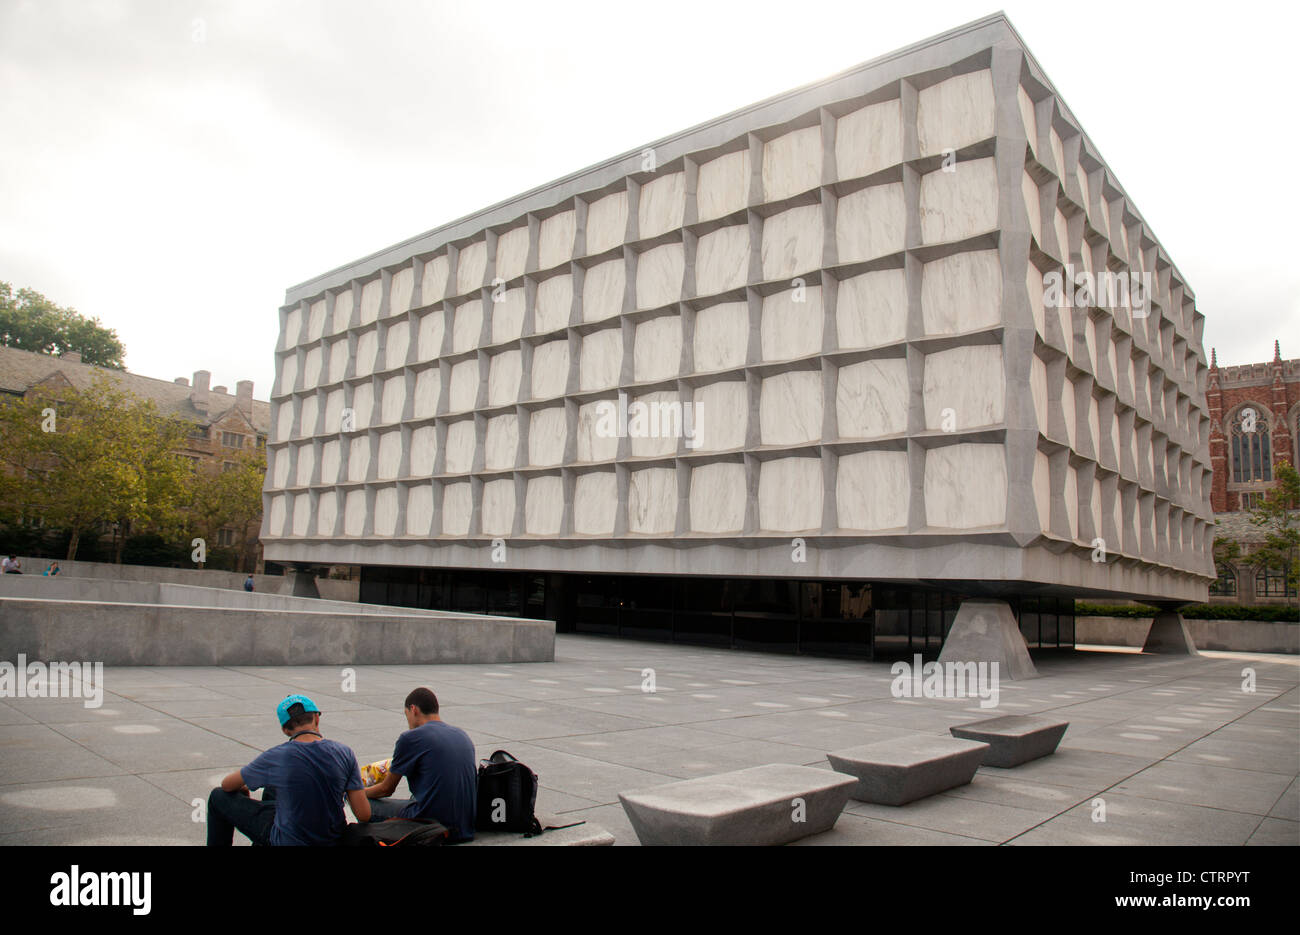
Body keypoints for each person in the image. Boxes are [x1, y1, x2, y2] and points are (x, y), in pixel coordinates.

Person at [207, 694, 369, 846]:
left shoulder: (276, 757)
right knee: (273, 788)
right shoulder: (344, 752)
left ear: (285, 730)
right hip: (331, 840)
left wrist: (243, 786)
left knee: (218, 796)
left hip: (287, 840)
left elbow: (227, 785)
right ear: (317, 719)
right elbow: (363, 814)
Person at [364, 687, 477, 841]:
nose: (408, 721)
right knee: (417, 794)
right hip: (464, 827)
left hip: (432, 827)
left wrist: (358, 793)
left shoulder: (410, 738)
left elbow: (386, 789)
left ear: (413, 709)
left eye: (406, 715)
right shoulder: (462, 735)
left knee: (363, 802)